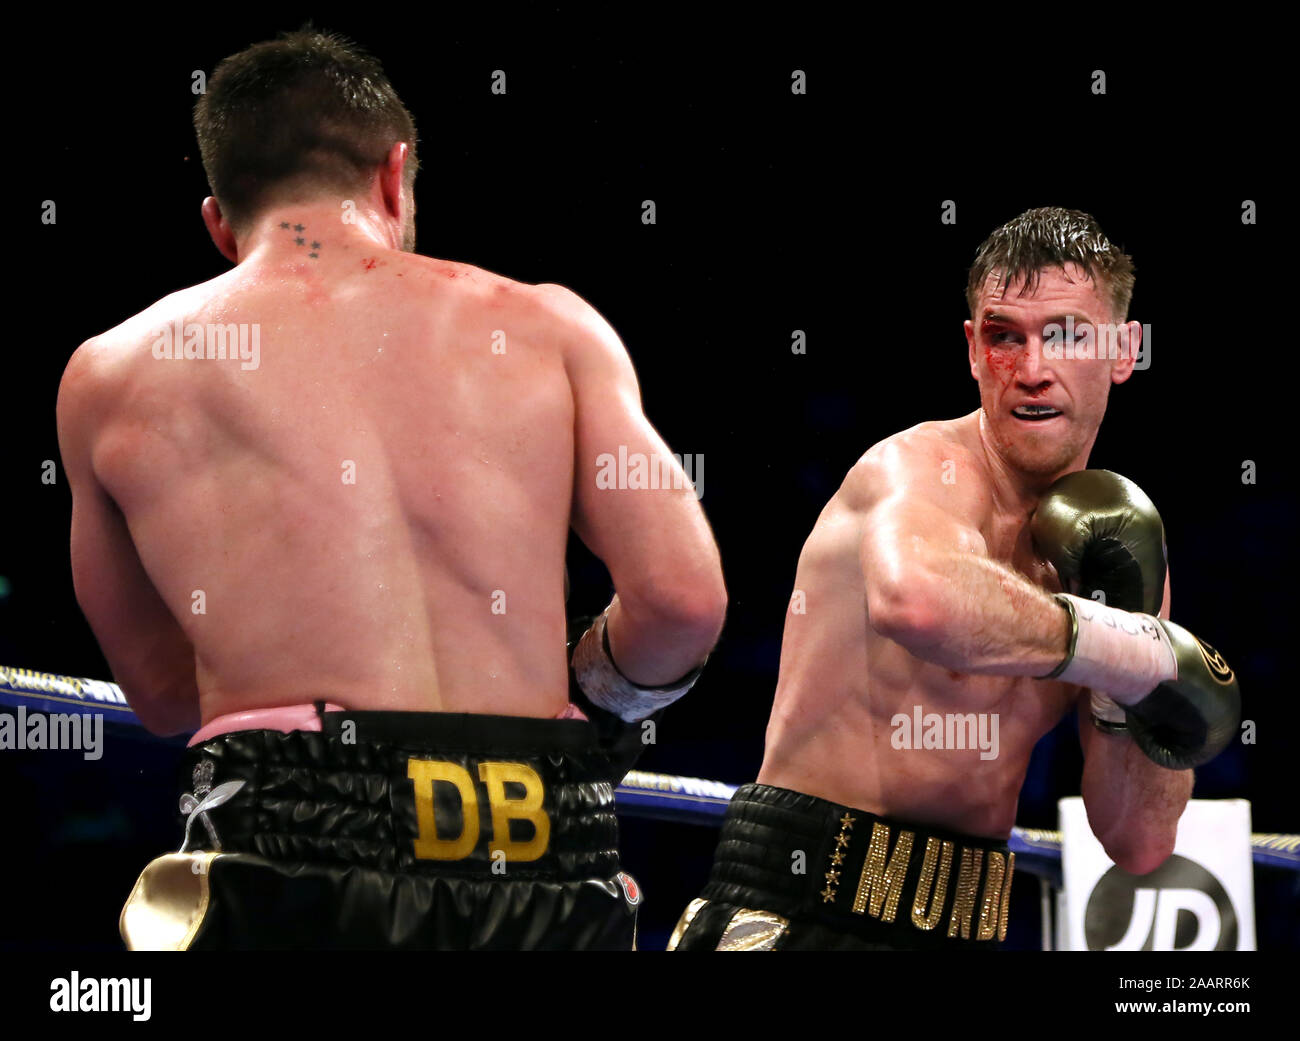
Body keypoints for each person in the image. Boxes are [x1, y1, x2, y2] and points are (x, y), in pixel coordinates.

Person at [56, 29, 726, 950]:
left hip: (289, 838)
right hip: (543, 838)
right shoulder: (551, 327)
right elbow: (685, 602)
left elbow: (167, 696)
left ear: (218, 220)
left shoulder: (112, 373)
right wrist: (587, 700)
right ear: (394, 174)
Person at [669, 207, 1238, 951]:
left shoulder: (1118, 557)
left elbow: (1140, 840)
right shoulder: (915, 471)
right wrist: (1128, 650)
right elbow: (920, 601)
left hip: (967, 918)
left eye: (1066, 334)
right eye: (1006, 336)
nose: (1032, 369)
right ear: (973, 350)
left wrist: (1127, 682)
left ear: (1125, 349)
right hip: (803, 901)